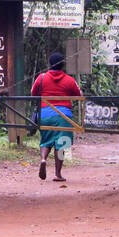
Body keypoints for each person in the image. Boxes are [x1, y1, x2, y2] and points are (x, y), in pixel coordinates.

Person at [31, 52, 82, 182]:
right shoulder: (70, 80)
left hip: (45, 113)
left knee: (45, 140)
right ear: (62, 65)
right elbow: (79, 95)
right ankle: (58, 174)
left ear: (50, 64)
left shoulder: (41, 78)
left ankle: (43, 159)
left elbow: (33, 92)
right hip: (64, 116)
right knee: (61, 143)